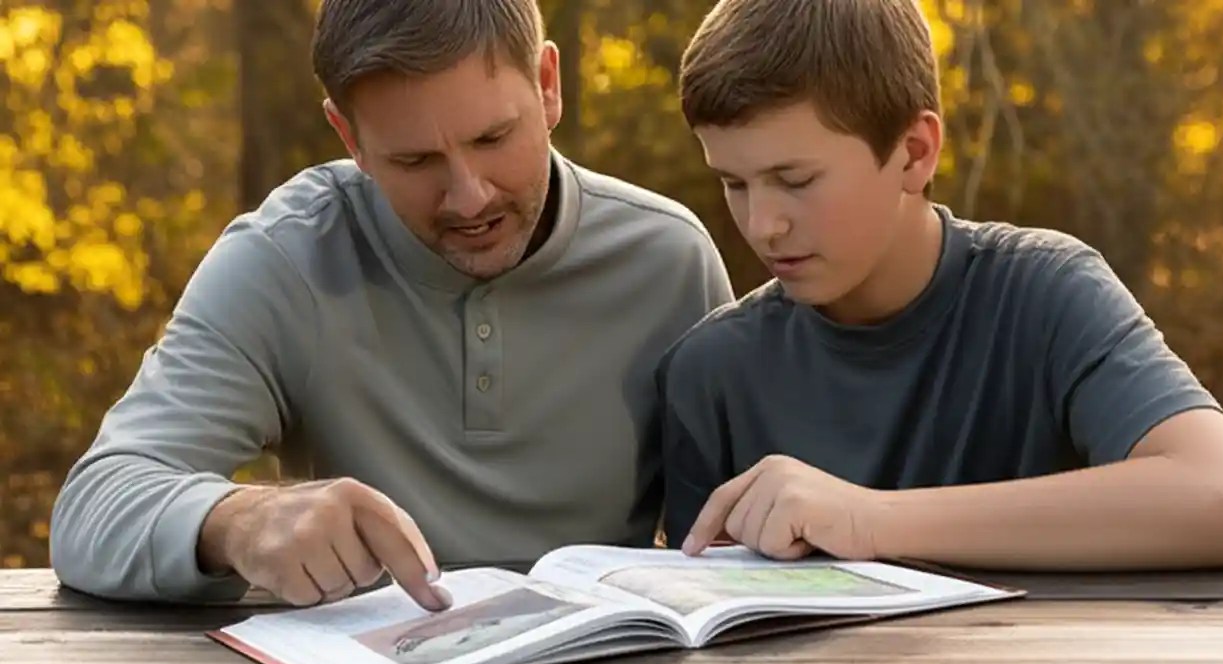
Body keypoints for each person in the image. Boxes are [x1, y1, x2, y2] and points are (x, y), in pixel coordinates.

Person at [49, 0, 734, 609]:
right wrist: (242, 521)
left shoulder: (668, 261)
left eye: (493, 139)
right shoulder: (284, 262)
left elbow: (736, 556)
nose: (469, 196)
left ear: (548, 86)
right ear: (350, 139)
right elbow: (93, 508)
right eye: (414, 161)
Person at [658, 0, 1223, 571]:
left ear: (914, 152)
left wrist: (869, 521)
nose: (763, 225)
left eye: (794, 180)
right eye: (734, 184)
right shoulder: (712, 373)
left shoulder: (1045, 295)